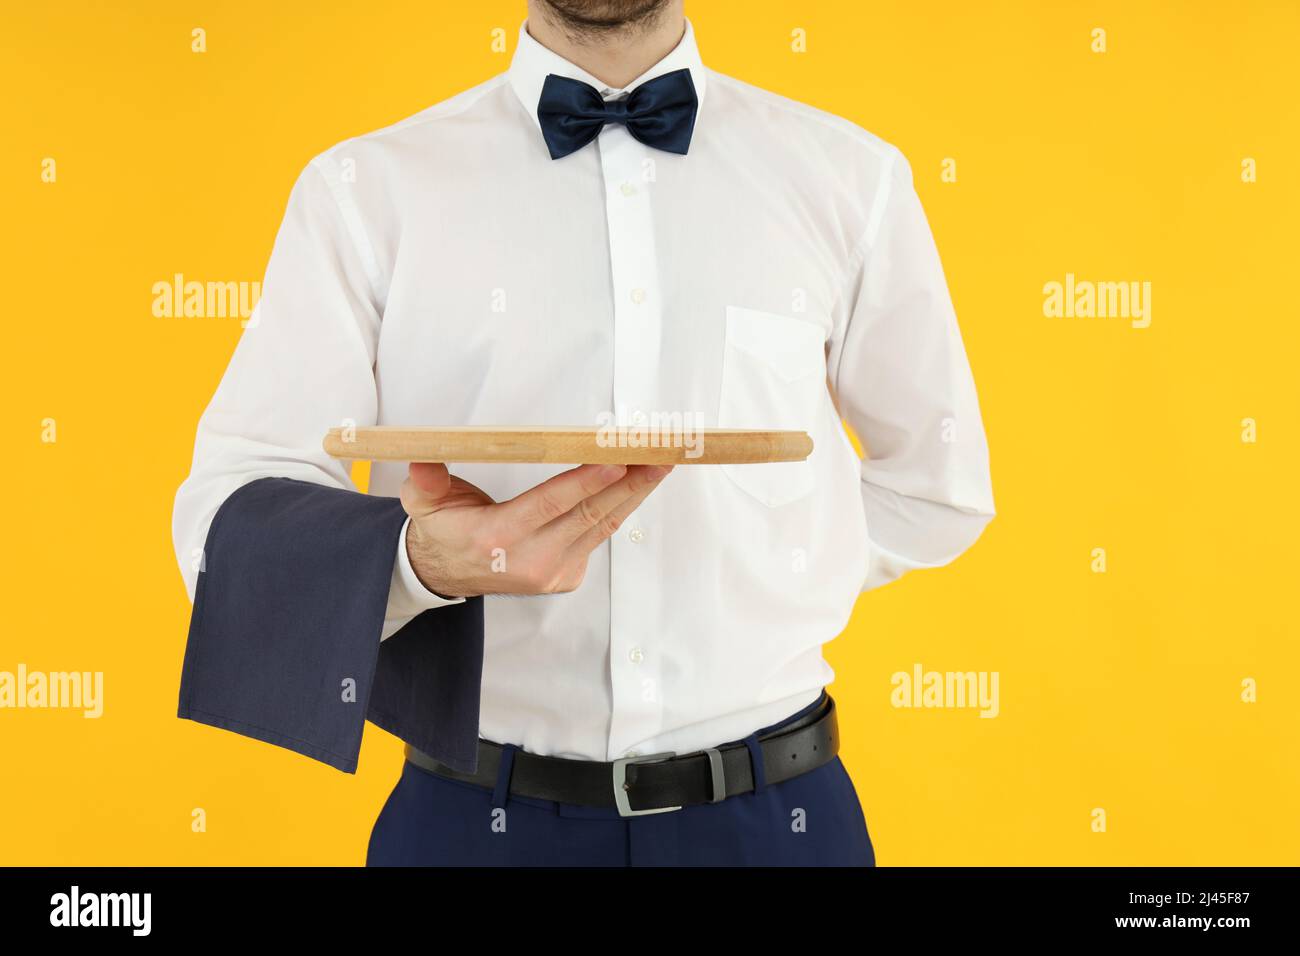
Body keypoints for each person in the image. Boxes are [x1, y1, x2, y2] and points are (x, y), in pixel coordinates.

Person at [172, 0, 995, 866]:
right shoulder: (362, 192)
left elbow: (938, 488)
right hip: (469, 826)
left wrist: (762, 576)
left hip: (779, 822)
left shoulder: (852, 179)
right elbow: (222, 524)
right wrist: (420, 566)